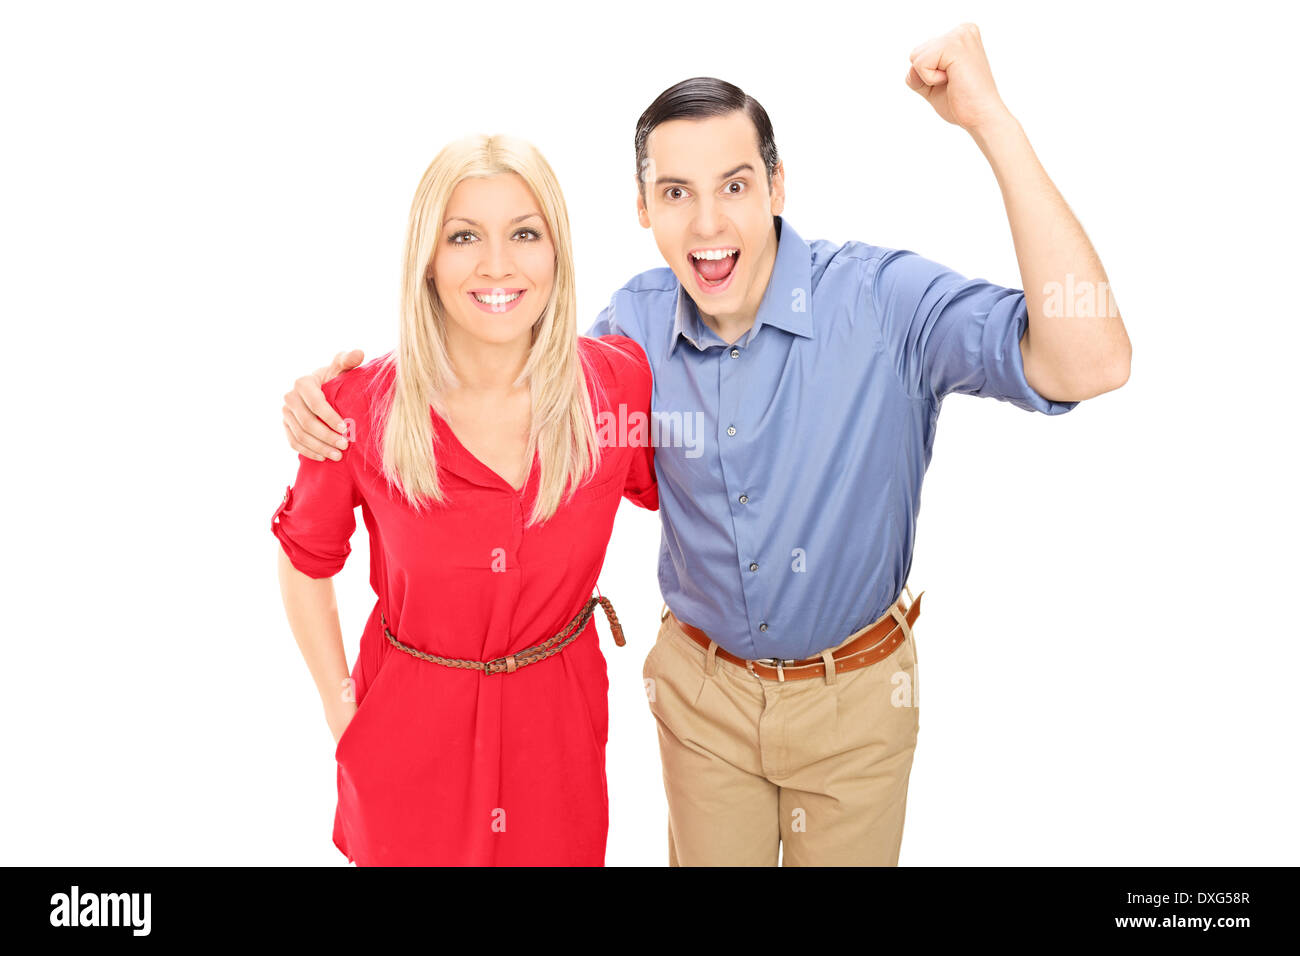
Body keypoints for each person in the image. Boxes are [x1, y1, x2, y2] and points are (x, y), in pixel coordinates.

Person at [282, 27, 1132, 866]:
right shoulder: (632, 337)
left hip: (857, 702)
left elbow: (1090, 361)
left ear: (777, 185)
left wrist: (991, 120)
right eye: (678, 191)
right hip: (700, 701)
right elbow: (501, 366)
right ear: (643, 208)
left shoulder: (882, 302)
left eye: (734, 184)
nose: (710, 221)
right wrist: (324, 404)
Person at [271, 133, 657, 866]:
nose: (497, 265)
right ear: (428, 259)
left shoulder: (619, 387)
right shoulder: (353, 408)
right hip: (406, 743)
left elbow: (706, 487)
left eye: (524, 233)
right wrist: (339, 705)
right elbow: (304, 560)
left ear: (557, 252)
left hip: (559, 746)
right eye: (463, 237)